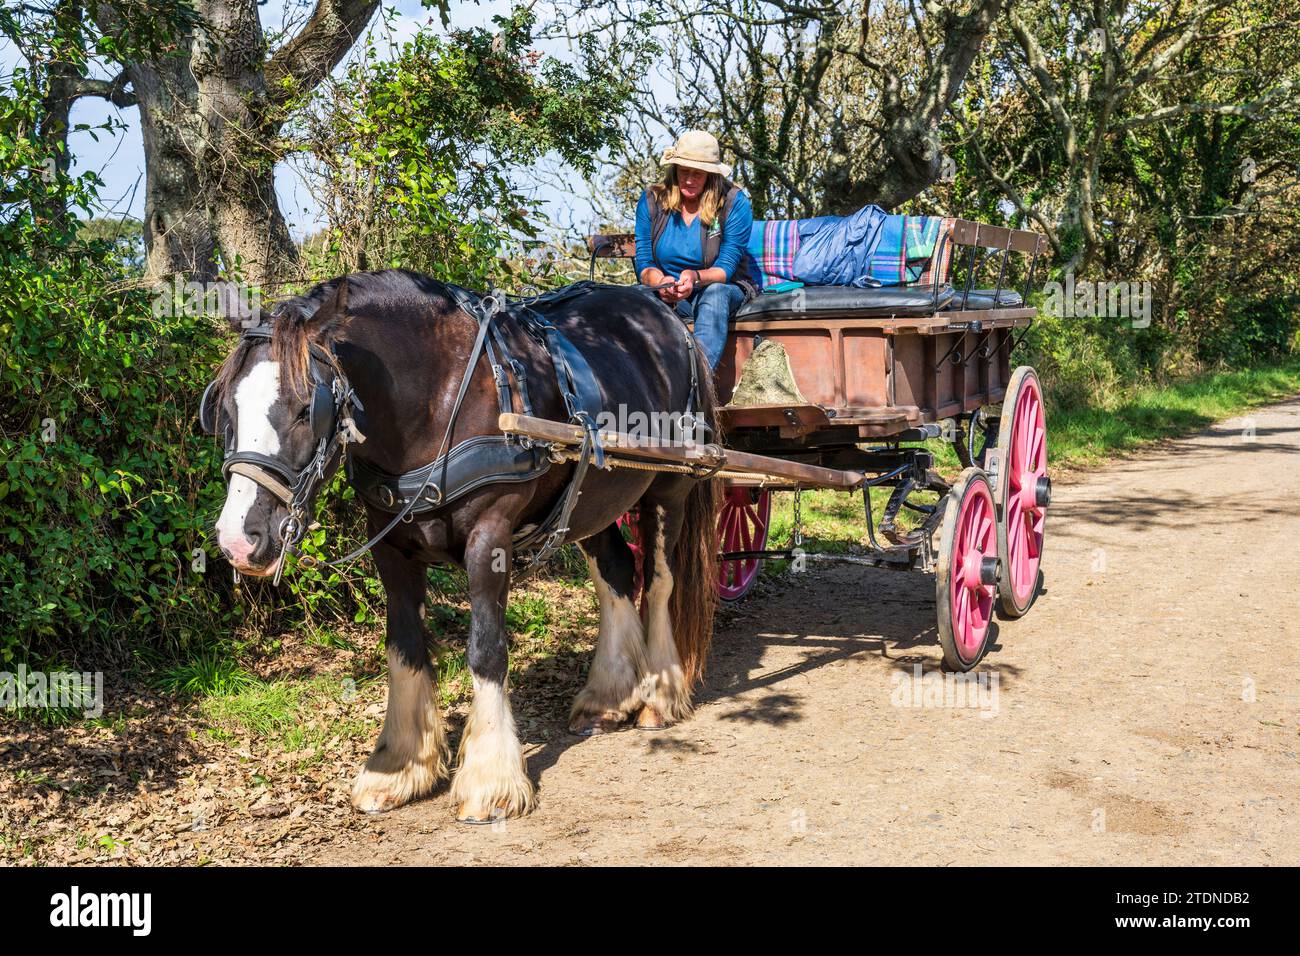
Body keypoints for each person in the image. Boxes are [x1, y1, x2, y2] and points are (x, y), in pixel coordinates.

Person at [634, 130, 756, 370]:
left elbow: (726, 268)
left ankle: (697, 382)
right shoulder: (651, 200)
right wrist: (661, 282)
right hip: (668, 289)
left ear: (711, 175)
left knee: (715, 294)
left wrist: (694, 277)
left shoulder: (733, 202)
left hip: (718, 286)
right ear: (674, 170)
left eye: (697, 173)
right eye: (684, 172)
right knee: (633, 298)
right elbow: (644, 262)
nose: (689, 180)